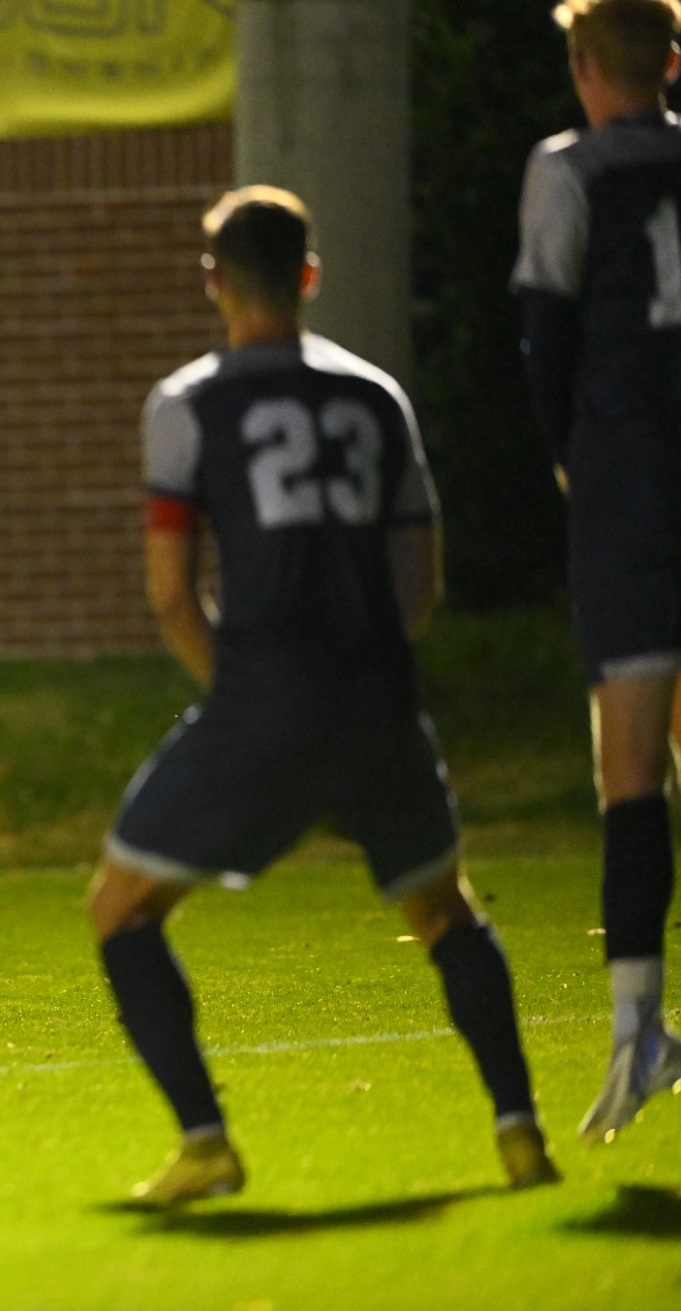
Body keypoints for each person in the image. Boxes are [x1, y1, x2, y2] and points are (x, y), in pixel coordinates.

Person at [89, 188, 559, 1204]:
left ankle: (205, 1142)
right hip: (377, 700)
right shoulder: (374, 397)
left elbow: (172, 594)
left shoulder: (185, 403)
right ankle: (519, 1130)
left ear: (213, 280)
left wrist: (251, 702)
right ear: (307, 275)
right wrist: (361, 678)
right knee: (443, 910)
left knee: (121, 908)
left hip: (262, 700)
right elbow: (417, 580)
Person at [513, 0, 681, 1144]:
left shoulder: (566, 169)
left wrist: (570, 457)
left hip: (629, 485)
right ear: (669, 63)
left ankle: (637, 1025)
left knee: (628, 759)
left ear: (586, 69)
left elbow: (542, 334)